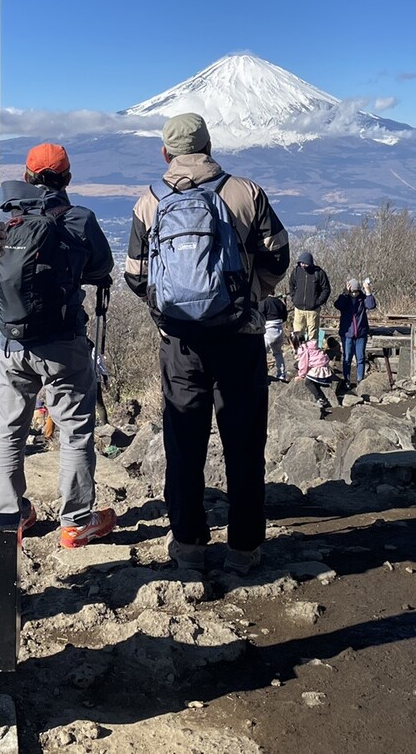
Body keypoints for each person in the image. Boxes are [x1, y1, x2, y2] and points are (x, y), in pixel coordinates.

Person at [125, 112, 289, 575]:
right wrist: (252, 293)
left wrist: (174, 305)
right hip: (240, 335)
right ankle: (244, 549)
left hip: (179, 343)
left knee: (183, 442)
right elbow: (278, 255)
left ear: (165, 153)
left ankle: (190, 544)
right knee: (243, 441)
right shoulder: (245, 191)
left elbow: (136, 277)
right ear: (210, 147)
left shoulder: (149, 202)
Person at [0, 143, 117, 548]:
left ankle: (9, 516)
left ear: (26, 177)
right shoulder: (79, 218)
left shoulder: (1, 216)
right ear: (66, 179)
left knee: (9, 428)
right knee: (75, 431)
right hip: (62, 342)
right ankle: (77, 521)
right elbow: (101, 267)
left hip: (9, 342)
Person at [334, 277, 377, 386]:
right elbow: (338, 305)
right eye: (352, 292)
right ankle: (346, 379)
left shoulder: (363, 298)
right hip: (347, 333)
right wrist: (345, 293)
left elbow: (371, 305)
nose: (354, 294)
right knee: (347, 357)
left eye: (356, 291)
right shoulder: (345, 298)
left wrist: (368, 292)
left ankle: (360, 380)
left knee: (361, 358)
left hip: (361, 333)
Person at [288, 252, 331, 341]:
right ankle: (299, 353)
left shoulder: (319, 273)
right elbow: (291, 285)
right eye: (301, 263)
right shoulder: (296, 271)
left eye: (305, 263)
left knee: (313, 335)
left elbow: (326, 289)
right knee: (297, 334)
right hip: (298, 309)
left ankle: (312, 353)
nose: (303, 265)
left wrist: (318, 302)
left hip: (313, 310)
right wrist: (294, 298)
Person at [292, 332, 334, 418]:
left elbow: (304, 363)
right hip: (323, 364)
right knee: (297, 364)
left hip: (319, 369)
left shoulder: (303, 349)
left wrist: (301, 375)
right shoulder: (310, 345)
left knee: (308, 382)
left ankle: (321, 399)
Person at [261, 292, 288, 381]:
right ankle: (281, 374)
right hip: (279, 329)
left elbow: (260, 315)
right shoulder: (279, 302)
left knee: (261, 354)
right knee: (278, 353)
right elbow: (285, 316)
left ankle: (262, 374)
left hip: (268, 330)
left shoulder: (264, 301)